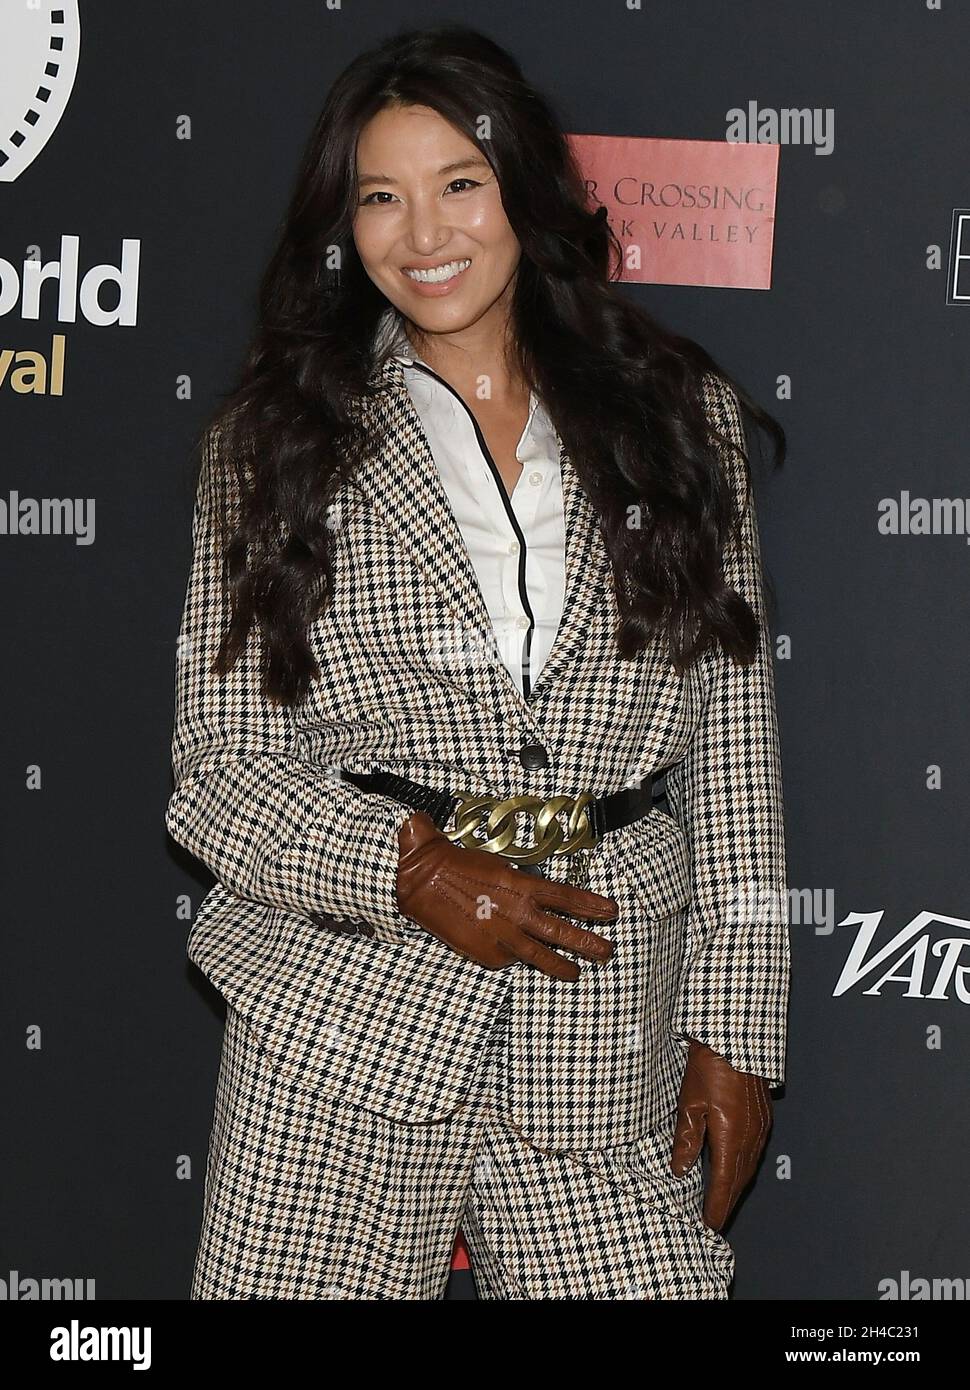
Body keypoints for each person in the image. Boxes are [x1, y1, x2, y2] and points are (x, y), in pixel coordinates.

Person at [165, 24, 790, 1300]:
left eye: (459, 183)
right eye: (380, 197)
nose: (422, 232)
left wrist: (739, 1029)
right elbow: (216, 766)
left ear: (528, 193)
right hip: (338, 1037)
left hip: (606, 1027)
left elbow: (733, 753)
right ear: (345, 226)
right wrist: (411, 870)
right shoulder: (276, 440)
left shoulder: (678, 418)